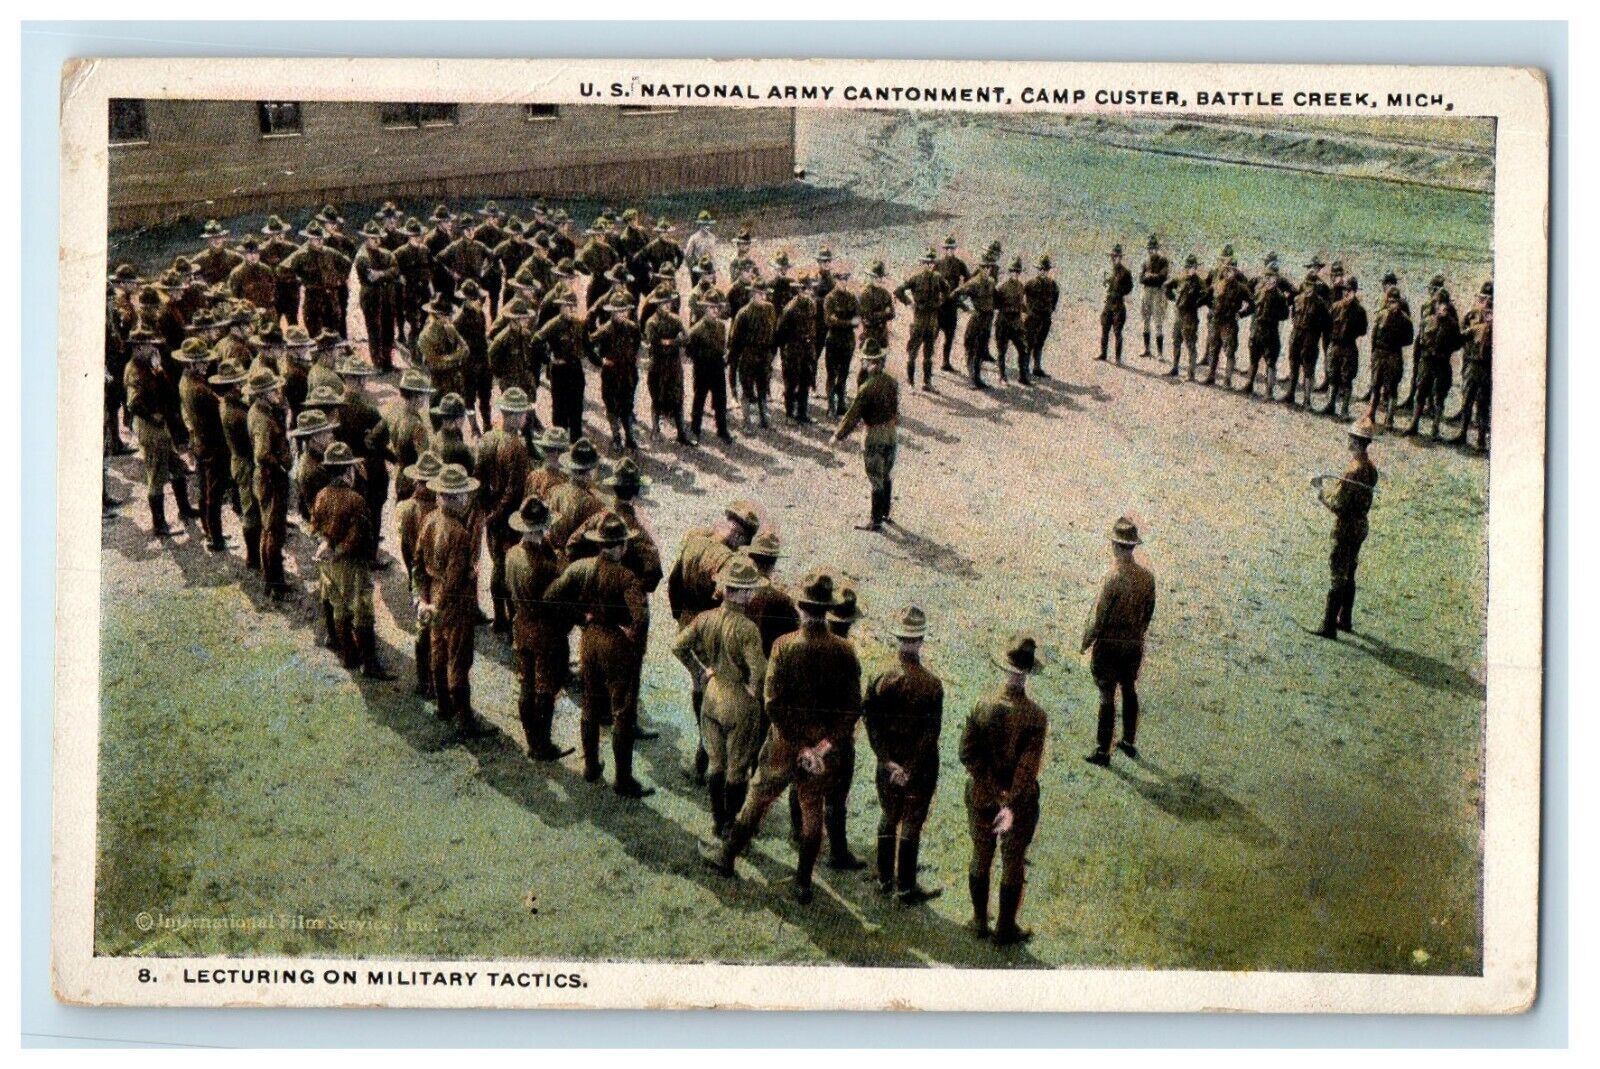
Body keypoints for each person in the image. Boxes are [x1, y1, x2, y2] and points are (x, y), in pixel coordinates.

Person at [702, 570, 861, 906]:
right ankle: (802, 882)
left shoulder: (783, 646)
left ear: (802, 609)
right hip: (823, 751)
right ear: (827, 609)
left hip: (784, 744)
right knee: (811, 811)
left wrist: (799, 744)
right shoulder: (845, 652)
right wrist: (821, 747)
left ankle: (727, 856)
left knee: (758, 798)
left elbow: (771, 702)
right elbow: (851, 710)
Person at [544, 512, 654, 798]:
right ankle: (623, 779)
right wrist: (634, 641)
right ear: (621, 546)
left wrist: (581, 617)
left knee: (590, 704)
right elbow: (640, 619)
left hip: (589, 640)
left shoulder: (580, 567)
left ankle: (591, 766)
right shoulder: (627, 578)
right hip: (616, 643)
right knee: (622, 712)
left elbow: (551, 596)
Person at [961, 635, 1048, 944]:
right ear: (1026, 674)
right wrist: (1009, 803)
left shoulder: (981, 705)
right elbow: (1028, 768)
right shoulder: (1036, 717)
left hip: (982, 796)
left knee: (980, 854)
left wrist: (989, 789)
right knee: (1013, 861)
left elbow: (967, 753)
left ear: (1004, 668)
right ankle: (1005, 929)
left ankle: (980, 920)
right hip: (1019, 805)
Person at [673, 554, 768, 838]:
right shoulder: (747, 628)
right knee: (737, 769)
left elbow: (678, 646)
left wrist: (701, 671)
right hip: (738, 699)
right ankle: (730, 823)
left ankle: (716, 822)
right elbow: (760, 671)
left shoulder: (705, 618)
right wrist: (754, 691)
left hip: (712, 695)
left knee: (715, 763)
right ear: (745, 593)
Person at [668, 500, 761, 781]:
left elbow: (673, 581)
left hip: (689, 621)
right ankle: (707, 762)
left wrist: (680, 616)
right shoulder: (728, 561)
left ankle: (704, 761)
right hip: (715, 631)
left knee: (700, 687)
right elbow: (729, 600)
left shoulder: (694, 540)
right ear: (741, 536)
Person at [863, 605, 944, 903]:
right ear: (921, 640)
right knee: (911, 822)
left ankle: (885, 878)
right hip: (919, 768)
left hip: (887, 762)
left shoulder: (879, 676)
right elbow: (930, 733)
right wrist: (909, 767)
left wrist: (887, 761)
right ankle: (906, 887)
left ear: (898, 638)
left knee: (888, 816)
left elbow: (870, 721)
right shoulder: (932, 685)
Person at [415, 462, 491, 736]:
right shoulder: (459, 534)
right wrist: (470, 575)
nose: (468, 499)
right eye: (464, 494)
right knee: (459, 659)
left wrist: (423, 601)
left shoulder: (429, 521)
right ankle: (466, 721)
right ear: (456, 497)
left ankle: (443, 706)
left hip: (433, 595)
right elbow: (455, 577)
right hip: (455, 603)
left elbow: (418, 564)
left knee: (438, 651)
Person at [310, 441, 393, 679]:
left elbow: (315, 526)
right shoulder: (355, 499)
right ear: (348, 470)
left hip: (329, 561)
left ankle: (348, 655)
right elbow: (358, 536)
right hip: (351, 563)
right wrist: (340, 550)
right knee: (362, 611)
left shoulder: (322, 495)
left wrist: (328, 545)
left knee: (339, 607)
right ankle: (369, 664)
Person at [503, 495, 576, 761]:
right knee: (545, 687)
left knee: (526, 683)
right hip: (545, 632)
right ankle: (542, 744)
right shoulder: (545, 567)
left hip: (521, 625)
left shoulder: (512, 554)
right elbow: (563, 589)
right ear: (543, 527)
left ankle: (531, 740)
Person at [1081, 517, 1157, 766]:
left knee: (1106, 695)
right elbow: (1149, 612)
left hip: (1110, 645)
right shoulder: (1146, 577)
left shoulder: (1112, 577)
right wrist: (1138, 632)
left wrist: (1086, 641)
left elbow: (1098, 615)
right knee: (1129, 689)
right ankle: (1129, 741)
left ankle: (1103, 751)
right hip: (1133, 644)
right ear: (1133, 546)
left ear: (1115, 545)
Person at [123, 328, 194, 537]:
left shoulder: (147, 366)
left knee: (177, 466)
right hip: (150, 427)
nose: (154, 348)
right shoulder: (135, 370)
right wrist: (152, 416)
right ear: (137, 348)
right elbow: (133, 403)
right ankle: (159, 524)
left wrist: (159, 370)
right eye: (149, 345)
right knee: (155, 475)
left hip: (160, 426)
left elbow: (168, 391)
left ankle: (185, 509)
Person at [476, 387, 534, 634]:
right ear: (515, 414)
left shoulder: (487, 438)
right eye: (523, 413)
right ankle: (511, 618)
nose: (525, 418)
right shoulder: (516, 447)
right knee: (510, 569)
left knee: (497, 565)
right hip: (509, 518)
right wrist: (500, 513)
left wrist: (487, 513)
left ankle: (499, 616)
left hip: (492, 513)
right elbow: (514, 490)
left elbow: (478, 477)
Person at [1314, 417, 1379, 638]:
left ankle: (1329, 626)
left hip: (1346, 526)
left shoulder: (1352, 471)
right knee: (1350, 571)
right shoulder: (1371, 468)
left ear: (1357, 442)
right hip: (1361, 525)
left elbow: (1339, 504)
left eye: (1351, 438)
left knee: (1338, 574)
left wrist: (1321, 494)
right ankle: (1345, 619)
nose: (1348, 441)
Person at [832, 342, 899, 532]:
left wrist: (838, 436)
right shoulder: (891, 382)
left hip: (874, 435)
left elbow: (853, 415)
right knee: (886, 473)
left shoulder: (867, 388)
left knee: (875, 477)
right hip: (891, 433)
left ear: (868, 362)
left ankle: (875, 520)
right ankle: (885, 512)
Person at [172, 336, 228, 551]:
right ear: (190, 363)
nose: (206, 365)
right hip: (212, 444)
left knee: (205, 489)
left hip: (199, 441)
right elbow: (218, 413)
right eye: (202, 362)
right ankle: (215, 537)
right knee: (213, 493)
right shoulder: (199, 389)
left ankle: (209, 531)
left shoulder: (186, 380)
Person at [395, 450, 443, 698]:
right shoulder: (439, 514)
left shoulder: (405, 509)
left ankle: (422, 680)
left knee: (422, 629)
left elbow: (405, 548)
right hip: (435, 577)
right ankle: (435, 683)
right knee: (437, 634)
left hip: (418, 574)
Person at [245, 366, 293, 599]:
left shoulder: (260, 411)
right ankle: (275, 583)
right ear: (264, 393)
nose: (278, 392)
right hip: (270, 479)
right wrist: (281, 464)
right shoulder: (263, 418)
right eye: (274, 389)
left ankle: (271, 578)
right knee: (273, 532)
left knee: (269, 529)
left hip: (267, 479)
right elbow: (262, 454)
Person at [212, 358, 260, 570]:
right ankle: (253, 557)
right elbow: (248, 445)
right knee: (250, 512)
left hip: (238, 461)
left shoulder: (227, 404)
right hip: (245, 464)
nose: (242, 387)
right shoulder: (236, 415)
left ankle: (255, 554)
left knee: (250, 508)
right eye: (238, 383)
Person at [590, 291, 644, 451]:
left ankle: (629, 437)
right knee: (612, 406)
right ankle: (616, 437)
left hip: (628, 372)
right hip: (611, 374)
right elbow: (588, 343)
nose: (622, 314)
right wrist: (600, 361)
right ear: (611, 312)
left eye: (624, 310)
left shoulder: (632, 327)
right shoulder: (605, 330)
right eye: (618, 311)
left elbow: (637, 343)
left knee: (627, 405)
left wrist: (633, 358)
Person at [1406, 289, 1463, 439]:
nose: (1441, 307)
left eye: (1444, 304)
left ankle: (1435, 429)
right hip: (1426, 362)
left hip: (1442, 364)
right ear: (1435, 304)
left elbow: (1457, 344)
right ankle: (1414, 424)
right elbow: (1420, 340)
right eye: (1438, 304)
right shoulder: (1427, 320)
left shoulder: (1453, 325)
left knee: (1439, 396)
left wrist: (1445, 350)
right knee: (1421, 392)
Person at [534, 291, 588, 445]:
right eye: (567, 306)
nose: (571, 309)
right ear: (560, 307)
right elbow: (536, 341)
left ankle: (576, 444)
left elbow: (587, 344)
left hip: (575, 369)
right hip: (559, 371)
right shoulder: (553, 325)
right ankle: (560, 443)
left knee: (576, 408)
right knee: (560, 409)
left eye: (573, 306)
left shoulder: (579, 324)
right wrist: (548, 359)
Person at [895, 249, 949, 390]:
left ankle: (927, 382)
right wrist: (909, 303)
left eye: (932, 263)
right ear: (922, 263)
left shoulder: (938, 277)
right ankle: (911, 382)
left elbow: (947, 289)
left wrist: (941, 302)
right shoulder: (916, 278)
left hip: (932, 321)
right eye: (926, 263)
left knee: (929, 354)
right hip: (919, 320)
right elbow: (898, 291)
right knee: (913, 353)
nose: (929, 266)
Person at [1243, 254, 1292, 398]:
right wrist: (1242, 314)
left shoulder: (1280, 297)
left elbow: (1285, 315)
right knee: (1253, 359)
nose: (1269, 279)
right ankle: (1249, 385)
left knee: (1270, 363)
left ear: (1276, 279)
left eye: (1272, 277)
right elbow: (1253, 306)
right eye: (1267, 276)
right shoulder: (1259, 291)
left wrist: (1272, 316)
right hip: (1256, 329)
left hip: (1270, 331)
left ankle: (1269, 392)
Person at [731, 279, 778, 429]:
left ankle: (765, 419)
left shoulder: (770, 309)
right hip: (749, 355)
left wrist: (771, 352)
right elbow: (735, 339)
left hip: (765, 355)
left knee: (763, 387)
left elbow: (773, 331)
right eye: (759, 294)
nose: (763, 297)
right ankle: (746, 422)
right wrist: (734, 357)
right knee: (746, 389)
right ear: (752, 294)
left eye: (765, 294)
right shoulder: (743, 313)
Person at [354, 220, 401, 372]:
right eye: (373, 238)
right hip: (371, 298)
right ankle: (377, 364)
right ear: (366, 239)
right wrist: (387, 274)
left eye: (378, 238)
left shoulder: (386, 254)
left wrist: (382, 273)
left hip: (386, 297)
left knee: (388, 330)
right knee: (374, 331)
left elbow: (395, 270)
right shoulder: (362, 257)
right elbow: (370, 277)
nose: (377, 241)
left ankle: (387, 362)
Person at [687, 293, 733, 443]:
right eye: (712, 308)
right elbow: (689, 351)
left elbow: (722, 345)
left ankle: (722, 429)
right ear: (705, 309)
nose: (715, 311)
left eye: (717, 308)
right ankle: (695, 429)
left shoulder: (721, 326)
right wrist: (702, 358)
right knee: (699, 399)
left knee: (721, 399)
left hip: (718, 368)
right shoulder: (696, 330)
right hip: (703, 369)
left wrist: (724, 354)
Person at [1453, 281, 1493, 450]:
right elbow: (1461, 332)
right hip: (1473, 362)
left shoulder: (1481, 317)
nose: (1485, 302)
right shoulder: (1473, 314)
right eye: (1484, 298)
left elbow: (1461, 334)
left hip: (1483, 366)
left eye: (1488, 299)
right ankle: (1465, 434)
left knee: (1481, 403)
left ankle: (1480, 439)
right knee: (1469, 400)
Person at [1203, 258, 1254, 388]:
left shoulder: (1241, 288)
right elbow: (1207, 298)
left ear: (1235, 272)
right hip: (1216, 322)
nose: (1228, 273)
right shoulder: (1217, 285)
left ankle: (1227, 380)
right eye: (1226, 270)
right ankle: (1211, 376)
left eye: (1231, 270)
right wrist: (1212, 309)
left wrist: (1241, 314)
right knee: (1213, 349)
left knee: (1229, 351)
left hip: (1229, 323)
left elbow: (1253, 304)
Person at [1368, 287, 1415, 428]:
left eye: (1394, 302)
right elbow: (1374, 336)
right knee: (1375, 386)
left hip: (1394, 355)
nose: (1392, 304)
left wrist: (1396, 342)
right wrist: (1373, 354)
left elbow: (1409, 340)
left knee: (1392, 387)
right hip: (1380, 354)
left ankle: (1389, 419)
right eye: (1389, 302)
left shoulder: (1406, 321)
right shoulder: (1381, 315)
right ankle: (1371, 414)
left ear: (1399, 303)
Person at [1322, 279, 1368, 419]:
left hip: (1349, 347)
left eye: (1349, 290)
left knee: (1346, 378)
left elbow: (1363, 330)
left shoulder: (1359, 311)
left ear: (1354, 292)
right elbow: (1327, 323)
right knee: (1332, 376)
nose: (1345, 293)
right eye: (1344, 290)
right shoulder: (1335, 306)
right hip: (1335, 345)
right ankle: (1330, 404)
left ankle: (1344, 409)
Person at [1286, 270, 1331, 408]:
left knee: (1308, 369)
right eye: (1306, 285)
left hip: (1311, 338)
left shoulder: (1321, 304)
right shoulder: (1297, 299)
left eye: (1311, 286)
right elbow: (1293, 314)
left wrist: (1316, 333)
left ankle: (1307, 400)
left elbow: (1327, 324)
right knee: (1293, 365)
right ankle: (1290, 394)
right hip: (1297, 335)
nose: (1308, 288)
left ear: (1315, 287)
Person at [934, 236, 970, 372]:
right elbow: (931, 282)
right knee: (934, 334)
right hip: (940, 306)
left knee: (950, 336)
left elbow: (969, 281)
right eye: (947, 248)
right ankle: (929, 362)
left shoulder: (960, 264)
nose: (949, 250)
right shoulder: (938, 264)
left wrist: (962, 296)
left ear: (954, 249)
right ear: (944, 249)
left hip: (952, 305)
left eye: (951, 248)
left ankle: (946, 362)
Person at [1022, 255, 1061, 380]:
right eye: (1041, 269)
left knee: (1040, 343)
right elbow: (1021, 295)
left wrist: (1051, 309)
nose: (1043, 271)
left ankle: (1037, 368)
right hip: (1032, 318)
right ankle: (1025, 368)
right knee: (1029, 342)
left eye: (1045, 269)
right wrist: (1026, 309)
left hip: (1045, 318)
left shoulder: (1053, 284)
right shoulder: (1031, 283)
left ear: (1048, 270)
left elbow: (1056, 297)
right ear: (1038, 270)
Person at [994, 258, 1029, 384]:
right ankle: (1002, 376)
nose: (1015, 274)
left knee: (1023, 348)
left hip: (1016, 322)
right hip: (1003, 321)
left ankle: (1023, 376)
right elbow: (995, 304)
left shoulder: (1021, 286)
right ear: (1009, 272)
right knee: (1002, 350)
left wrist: (1027, 311)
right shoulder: (1002, 287)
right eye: (1013, 271)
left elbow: (1021, 304)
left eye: (1017, 272)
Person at [1098, 245, 1135, 363]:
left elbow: (1129, 287)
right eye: (1112, 257)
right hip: (1109, 302)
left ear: (1120, 257)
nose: (1114, 259)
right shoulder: (1111, 271)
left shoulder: (1126, 272)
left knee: (1117, 331)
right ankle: (1103, 354)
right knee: (1105, 328)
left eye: (1116, 256)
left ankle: (1118, 359)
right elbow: (1108, 283)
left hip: (1118, 304)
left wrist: (1120, 293)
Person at [1138, 235, 1170, 358]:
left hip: (1158, 292)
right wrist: (1151, 276)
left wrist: (1149, 276)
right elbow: (1141, 279)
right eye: (1150, 249)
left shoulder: (1163, 261)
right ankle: (1147, 349)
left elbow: (1162, 278)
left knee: (1158, 321)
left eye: (1154, 249)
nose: (1152, 251)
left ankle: (1160, 353)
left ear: (1158, 249)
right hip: (1147, 292)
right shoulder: (1145, 262)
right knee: (1146, 319)